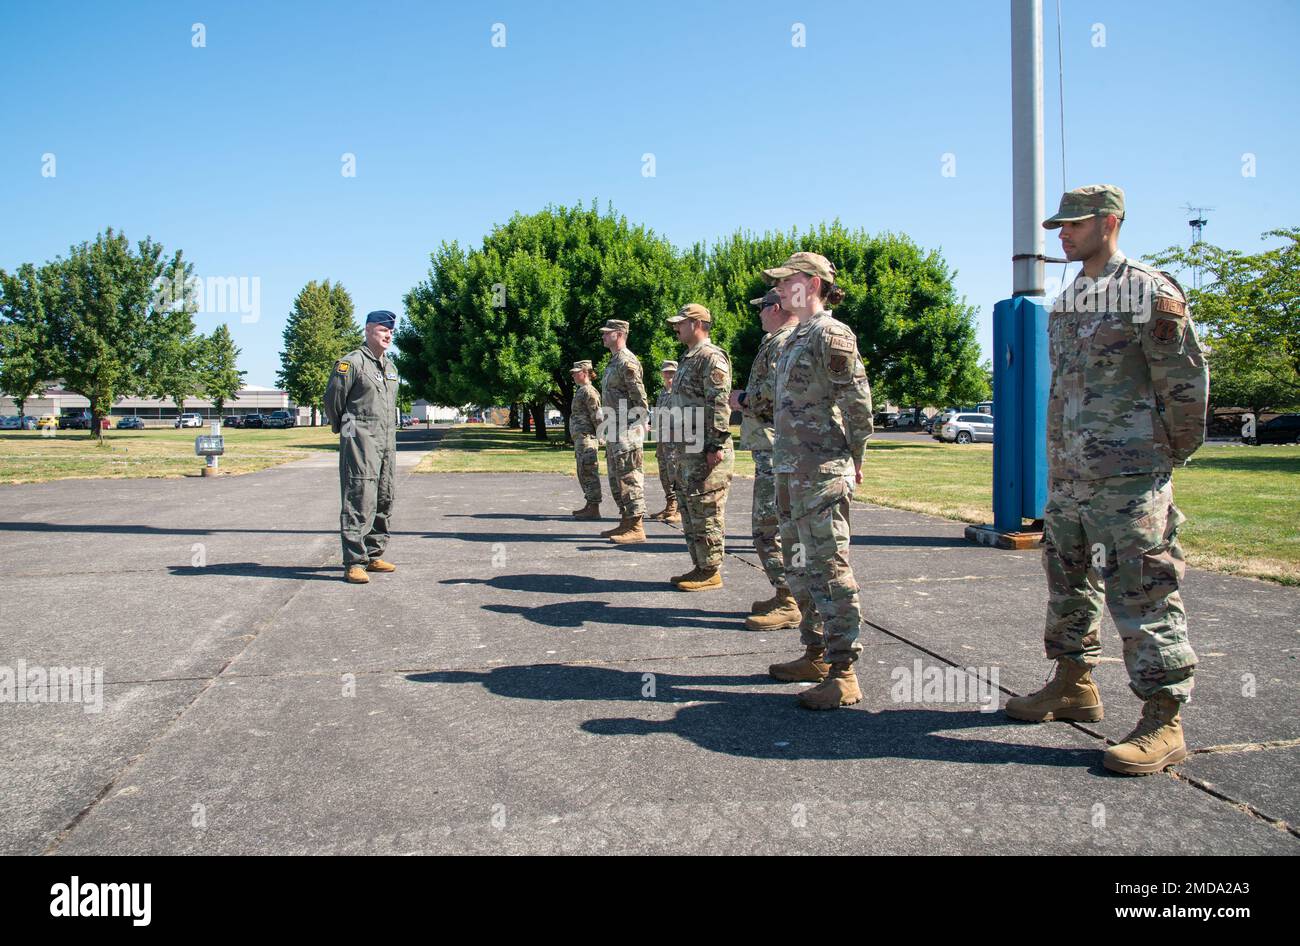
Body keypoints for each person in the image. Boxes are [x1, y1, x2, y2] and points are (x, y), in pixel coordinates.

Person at [1006, 184, 1209, 775]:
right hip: (1071, 477)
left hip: (1129, 476)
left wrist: (1160, 457)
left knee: (1142, 589)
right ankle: (1072, 682)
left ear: (1110, 222)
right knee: (1067, 583)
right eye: (1059, 226)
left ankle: (1164, 718)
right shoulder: (1072, 297)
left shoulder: (1147, 290)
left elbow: (1184, 382)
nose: (1062, 234)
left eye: (1074, 224)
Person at [762, 253, 874, 710]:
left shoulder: (831, 332)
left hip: (822, 472)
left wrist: (856, 458)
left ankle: (844, 672)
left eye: (785, 280)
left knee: (828, 568)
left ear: (809, 283)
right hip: (791, 469)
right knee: (799, 566)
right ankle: (816, 654)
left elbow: (858, 404)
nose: (779, 289)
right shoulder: (795, 337)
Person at [731, 289, 802, 631]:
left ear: (776, 308)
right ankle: (785, 593)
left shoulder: (782, 344)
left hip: (778, 452)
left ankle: (791, 600)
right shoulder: (778, 341)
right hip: (773, 451)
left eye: (761, 308)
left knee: (767, 531)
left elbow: (775, 396)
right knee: (773, 529)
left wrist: (741, 398)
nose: (758, 314)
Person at [323, 309, 401, 584]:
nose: (388, 334)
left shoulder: (390, 367)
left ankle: (373, 553)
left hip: (386, 443)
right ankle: (354, 562)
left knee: (384, 496)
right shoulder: (351, 363)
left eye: (391, 331)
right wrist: (345, 431)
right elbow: (333, 400)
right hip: (360, 441)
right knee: (359, 497)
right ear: (368, 330)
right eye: (383, 330)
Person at [665, 304, 734, 591]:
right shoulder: (688, 357)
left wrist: (715, 442)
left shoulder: (710, 357)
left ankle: (711, 570)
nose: (676, 328)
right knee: (690, 506)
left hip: (704, 446)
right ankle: (700, 565)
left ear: (696, 324)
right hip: (688, 447)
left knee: (706, 508)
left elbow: (719, 401)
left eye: (680, 323)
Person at [597, 319, 648, 544]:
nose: (603, 337)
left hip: (627, 429)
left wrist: (640, 421)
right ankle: (626, 521)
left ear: (619, 334)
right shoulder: (614, 361)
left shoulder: (627, 361)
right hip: (614, 427)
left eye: (607, 333)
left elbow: (639, 395)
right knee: (617, 477)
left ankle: (636, 527)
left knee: (629, 476)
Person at [568, 360, 603, 519]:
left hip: (587, 438)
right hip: (581, 439)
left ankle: (594, 508)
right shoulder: (581, 390)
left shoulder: (589, 391)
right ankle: (589, 504)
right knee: (583, 472)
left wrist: (601, 436)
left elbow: (597, 415)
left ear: (586, 372)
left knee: (589, 472)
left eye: (576, 372)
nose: (573, 375)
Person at [648, 360, 681, 524]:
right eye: (666, 372)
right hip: (662, 442)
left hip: (675, 443)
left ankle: (681, 509)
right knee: (664, 473)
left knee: (676, 474)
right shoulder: (662, 393)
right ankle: (670, 505)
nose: (669, 375)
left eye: (672, 372)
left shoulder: (679, 393)